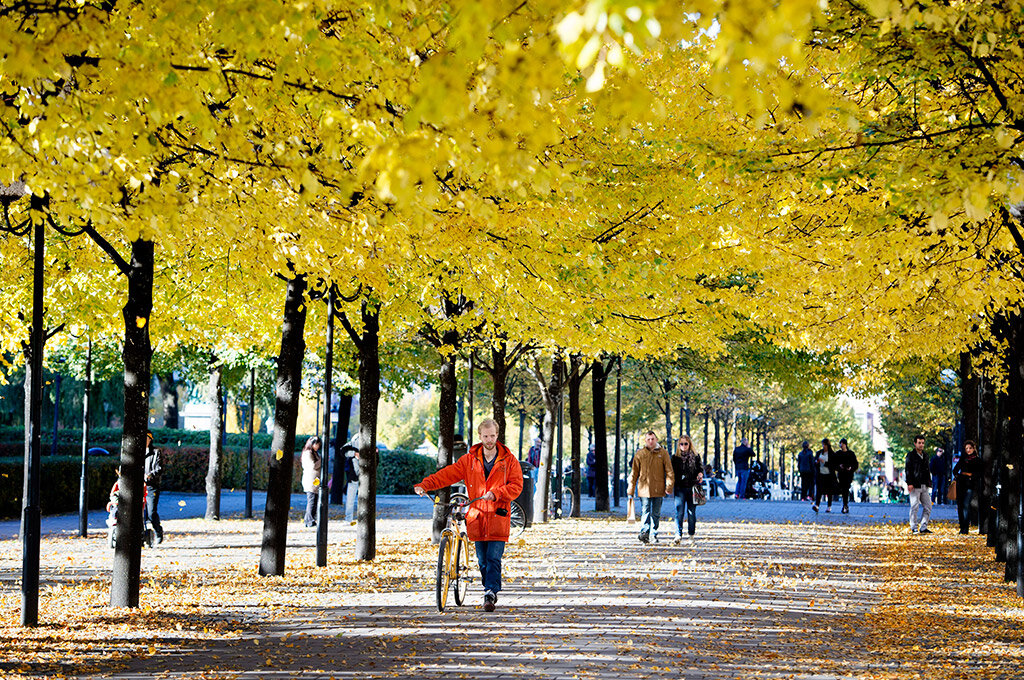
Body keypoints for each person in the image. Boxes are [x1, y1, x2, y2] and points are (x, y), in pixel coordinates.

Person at [414, 418, 523, 612]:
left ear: (497, 435)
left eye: (492, 436)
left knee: (493, 558)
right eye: (485, 436)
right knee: (482, 560)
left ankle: (490, 592)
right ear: (480, 436)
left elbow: (516, 486)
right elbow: (447, 474)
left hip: (498, 516)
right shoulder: (469, 460)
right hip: (478, 518)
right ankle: (488, 589)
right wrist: (425, 485)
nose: (489, 439)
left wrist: (497, 493)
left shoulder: (509, 460)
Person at [628, 431, 674, 543]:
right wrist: (631, 488)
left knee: (656, 513)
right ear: (645, 440)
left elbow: (669, 471)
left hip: (659, 487)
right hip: (644, 488)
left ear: (656, 439)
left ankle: (653, 533)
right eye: (648, 439)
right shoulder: (640, 454)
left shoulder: (663, 453)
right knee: (646, 510)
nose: (650, 441)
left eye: (652, 439)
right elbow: (634, 472)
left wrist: (669, 486)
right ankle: (645, 532)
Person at [671, 435, 704, 543]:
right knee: (679, 512)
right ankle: (678, 535)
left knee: (691, 513)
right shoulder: (675, 458)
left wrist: (700, 474)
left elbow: (700, 468)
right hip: (680, 488)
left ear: (689, 444)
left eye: (686, 443)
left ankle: (691, 535)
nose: (684, 446)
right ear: (678, 445)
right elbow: (671, 472)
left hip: (692, 488)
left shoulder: (696, 456)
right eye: (681, 444)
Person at [953, 440, 983, 534]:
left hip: (970, 485)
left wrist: (970, 475)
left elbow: (979, 474)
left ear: (974, 449)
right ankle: (962, 527)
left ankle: (966, 528)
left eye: (970, 448)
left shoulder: (977, 460)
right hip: (961, 484)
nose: (968, 450)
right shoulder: (963, 459)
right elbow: (955, 470)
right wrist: (959, 476)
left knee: (966, 505)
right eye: (966, 448)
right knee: (960, 506)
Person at [905, 434, 932, 534]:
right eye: (919, 443)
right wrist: (909, 483)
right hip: (915, 485)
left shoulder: (925, 455)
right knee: (914, 506)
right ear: (915, 443)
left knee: (928, 506)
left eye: (922, 443)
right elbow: (908, 470)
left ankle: (923, 527)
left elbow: (927, 470)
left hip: (924, 485)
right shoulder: (910, 456)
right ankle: (913, 527)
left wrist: (929, 482)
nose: (921, 445)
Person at [144, 431, 164, 544]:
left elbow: (159, 468)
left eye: (146, 438)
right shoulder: (137, 452)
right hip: (140, 486)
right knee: (141, 513)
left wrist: (150, 475)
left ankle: (158, 531)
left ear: (150, 439)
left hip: (151, 486)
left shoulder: (156, 452)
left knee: (151, 512)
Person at [301, 436, 322, 527]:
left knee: (314, 500)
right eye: (316, 444)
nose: (318, 446)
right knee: (312, 501)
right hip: (310, 480)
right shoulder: (307, 453)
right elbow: (313, 465)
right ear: (312, 444)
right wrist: (322, 460)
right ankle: (309, 521)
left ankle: (309, 519)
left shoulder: (314, 453)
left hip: (315, 480)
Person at [812, 438, 837, 513]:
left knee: (829, 491)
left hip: (829, 475)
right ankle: (817, 505)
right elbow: (815, 462)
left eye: (825, 445)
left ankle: (829, 506)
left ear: (828, 445)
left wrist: (824, 462)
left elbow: (833, 465)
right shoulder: (819, 453)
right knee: (819, 490)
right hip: (820, 475)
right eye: (823, 444)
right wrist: (817, 462)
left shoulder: (832, 454)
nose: (823, 446)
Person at [834, 438, 858, 514]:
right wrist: (839, 466)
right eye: (840, 445)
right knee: (842, 489)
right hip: (841, 475)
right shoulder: (838, 454)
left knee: (846, 489)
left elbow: (856, 464)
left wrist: (851, 468)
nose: (841, 446)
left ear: (845, 444)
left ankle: (845, 505)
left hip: (848, 475)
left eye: (842, 444)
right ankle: (845, 504)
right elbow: (833, 464)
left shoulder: (851, 454)